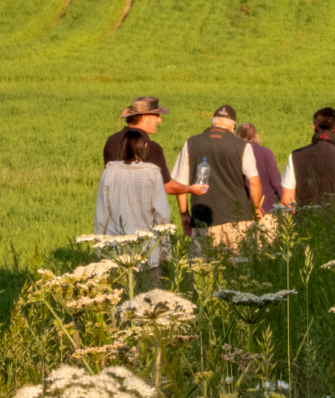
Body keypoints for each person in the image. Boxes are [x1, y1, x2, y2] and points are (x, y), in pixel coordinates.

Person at [171, 105, 264, 249]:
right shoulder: (243, 146)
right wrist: (256, 208)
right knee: (240, 262)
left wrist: (184, 214)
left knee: (203, 262)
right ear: (233, 125)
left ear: (212, 122)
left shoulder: (190, 143)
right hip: (237, 220)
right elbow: (254, 182)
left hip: (202, 220)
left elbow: (180, 184)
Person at [95, 129, 173, 274]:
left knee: (120, 287)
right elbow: (162, 214)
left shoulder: (110, 172)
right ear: (145, 147)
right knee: (151, 287)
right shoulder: (153, 173)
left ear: (122, 147)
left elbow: (101, 215)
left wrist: (100, 248)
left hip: (117, 250)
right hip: (148, 250)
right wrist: (165, 249)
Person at [103, 97, 200, 197]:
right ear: (144, 118)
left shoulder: (111, 141)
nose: (159, 120)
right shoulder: (151, 147)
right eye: (157, 115)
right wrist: (190, 189)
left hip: (113, 203)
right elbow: (166, 186)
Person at [236, 123, 282, 215]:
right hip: (266, 208)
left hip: (241, 211)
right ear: (256, 135)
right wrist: (285, 202)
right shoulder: (265, 152)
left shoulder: (236, 153)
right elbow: (276, 183)